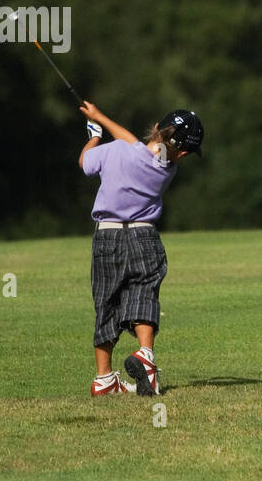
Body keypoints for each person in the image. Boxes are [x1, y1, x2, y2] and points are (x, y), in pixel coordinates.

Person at [79, 103, 203, 397]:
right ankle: (145, 354)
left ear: (157, 128)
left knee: (106, 302)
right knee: (144, 293)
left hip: (106, 237)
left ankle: (104, 378)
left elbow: (85, 162)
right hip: (143, 235)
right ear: (182, 153)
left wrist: (94, 134)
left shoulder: (114, 151)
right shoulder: (165, 167)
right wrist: (102, 118)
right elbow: (134, 144)